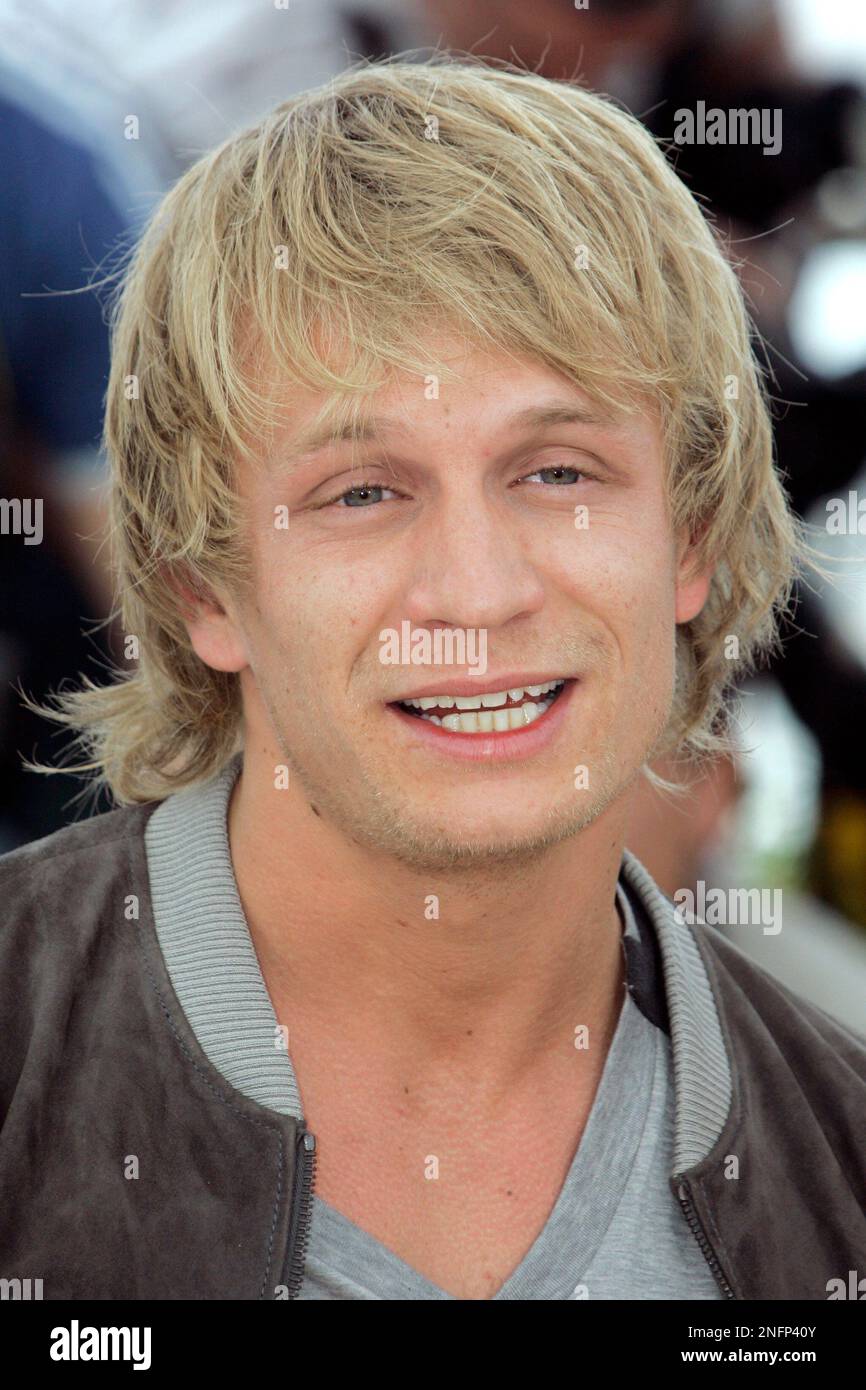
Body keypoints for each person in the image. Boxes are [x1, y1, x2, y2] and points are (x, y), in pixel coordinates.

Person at [1, 56, 863, 1302]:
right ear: (204, 587)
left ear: (688, 539)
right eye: (362, 492)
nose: (474, 593)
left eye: (556, 471)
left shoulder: (837, 1176)